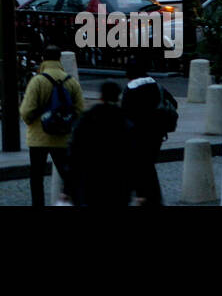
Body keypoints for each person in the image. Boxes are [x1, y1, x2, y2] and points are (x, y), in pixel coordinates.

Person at [18, 44, 86, 207]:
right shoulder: (71, 82)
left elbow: (26, 111)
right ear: (59, 59)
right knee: (67, 174)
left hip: (38, 137)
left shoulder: (38, 81)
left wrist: (31, 122)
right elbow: (79, 110)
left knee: (36, 176)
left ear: (43, 59)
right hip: (62, 136)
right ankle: (71, 201)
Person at [68, 80, 135, 207]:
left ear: (101, 97)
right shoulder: (124, 121)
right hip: (117, 182)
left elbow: (75, 153)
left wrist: (67, 188)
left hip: (91, 180)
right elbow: (132, 156)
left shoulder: (88, 118)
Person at [121, 56, 166, 206]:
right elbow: (172, 103)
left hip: (138, 135)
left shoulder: (131, 88)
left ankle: (147, 198)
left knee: (141, 167)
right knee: (148, 166)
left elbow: (125, 114)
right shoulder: (156, 84)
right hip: (157, 133)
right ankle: (153, 198)